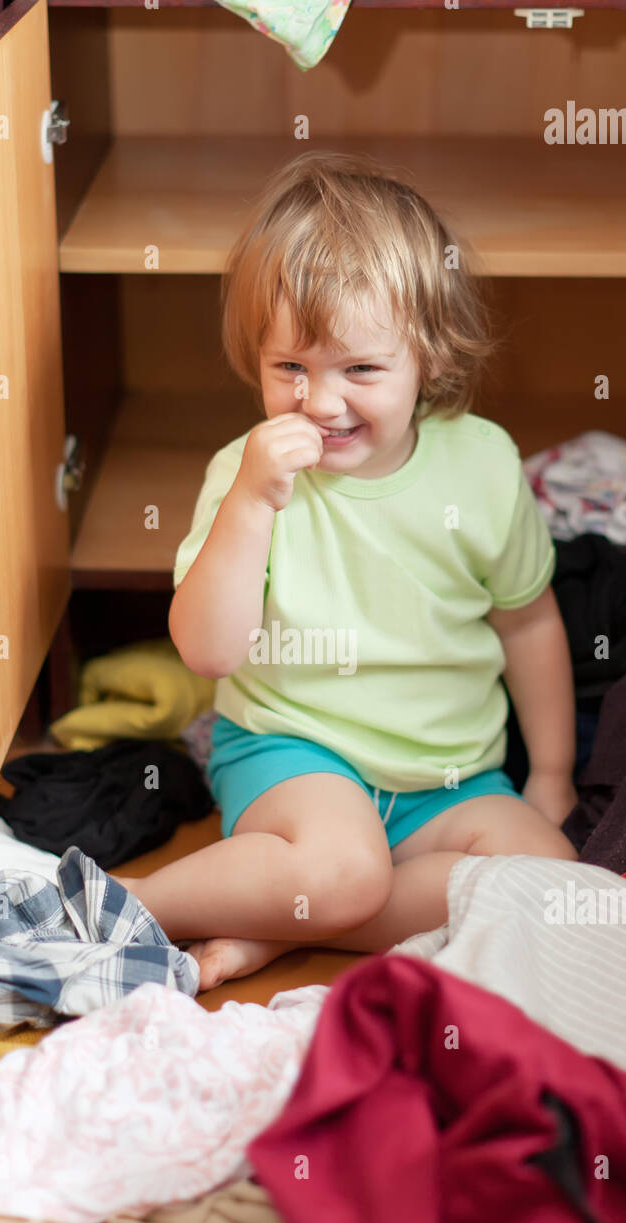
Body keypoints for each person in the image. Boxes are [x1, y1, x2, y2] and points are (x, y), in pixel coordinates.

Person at [118, 150, 579, 989]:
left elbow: (528, 620)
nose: (320, 405)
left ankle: (287, 925)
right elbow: (208, 652)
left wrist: (549, 773)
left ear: (429, 360)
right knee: (345, 870)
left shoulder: (480, 465)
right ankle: (131, 907)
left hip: (450, 777)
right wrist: (253, 505)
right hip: (294, 753)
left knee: (547, 879)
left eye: (359, 369)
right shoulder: (243, 474)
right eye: (289, 368)